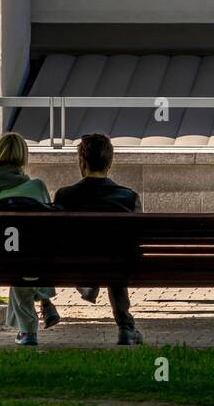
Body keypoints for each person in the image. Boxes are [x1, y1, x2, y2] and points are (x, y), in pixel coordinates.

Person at [52, 132, 145, 345]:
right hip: (120, 264)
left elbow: (56, 238)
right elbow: (136, 240)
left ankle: (88, 282)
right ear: (110, 163)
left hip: (74, 264)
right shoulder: (128, 198)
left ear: (81, 162)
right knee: (115, 258)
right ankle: (125, 326)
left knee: (101, 256)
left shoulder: (64, 196)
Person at [0, 132, 61, 346]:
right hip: (32, 262)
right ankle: (34, 318)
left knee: (16, 259)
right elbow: (50, 229)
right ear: (22, 158)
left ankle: (27, 330)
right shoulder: (36, 187)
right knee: (27, 257)